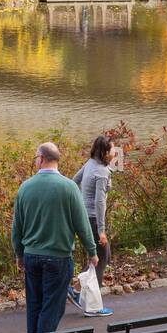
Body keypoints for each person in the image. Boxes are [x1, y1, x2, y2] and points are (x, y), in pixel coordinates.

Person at [11, 142, 97, 333]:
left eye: (35, 158)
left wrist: (19, 254)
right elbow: (82, 224)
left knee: (34, 306)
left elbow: (17, 227)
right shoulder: (69, 187)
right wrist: (92, 251)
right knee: (52, 308)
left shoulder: (25, 187)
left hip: (32, 256)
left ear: (41, 159)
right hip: (58, 257)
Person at [70, 136, 116, 317]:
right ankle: (92, 305)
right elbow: (99, 202)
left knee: (99, 257)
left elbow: (73, 181)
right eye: (112, 150)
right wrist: (101, 230)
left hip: (83, 217)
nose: (115, 152)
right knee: (101, 258)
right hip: (93, 219)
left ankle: (76, 288)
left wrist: (77, 205)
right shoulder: (102, 173)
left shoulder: (91, 164)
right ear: (105, 152)